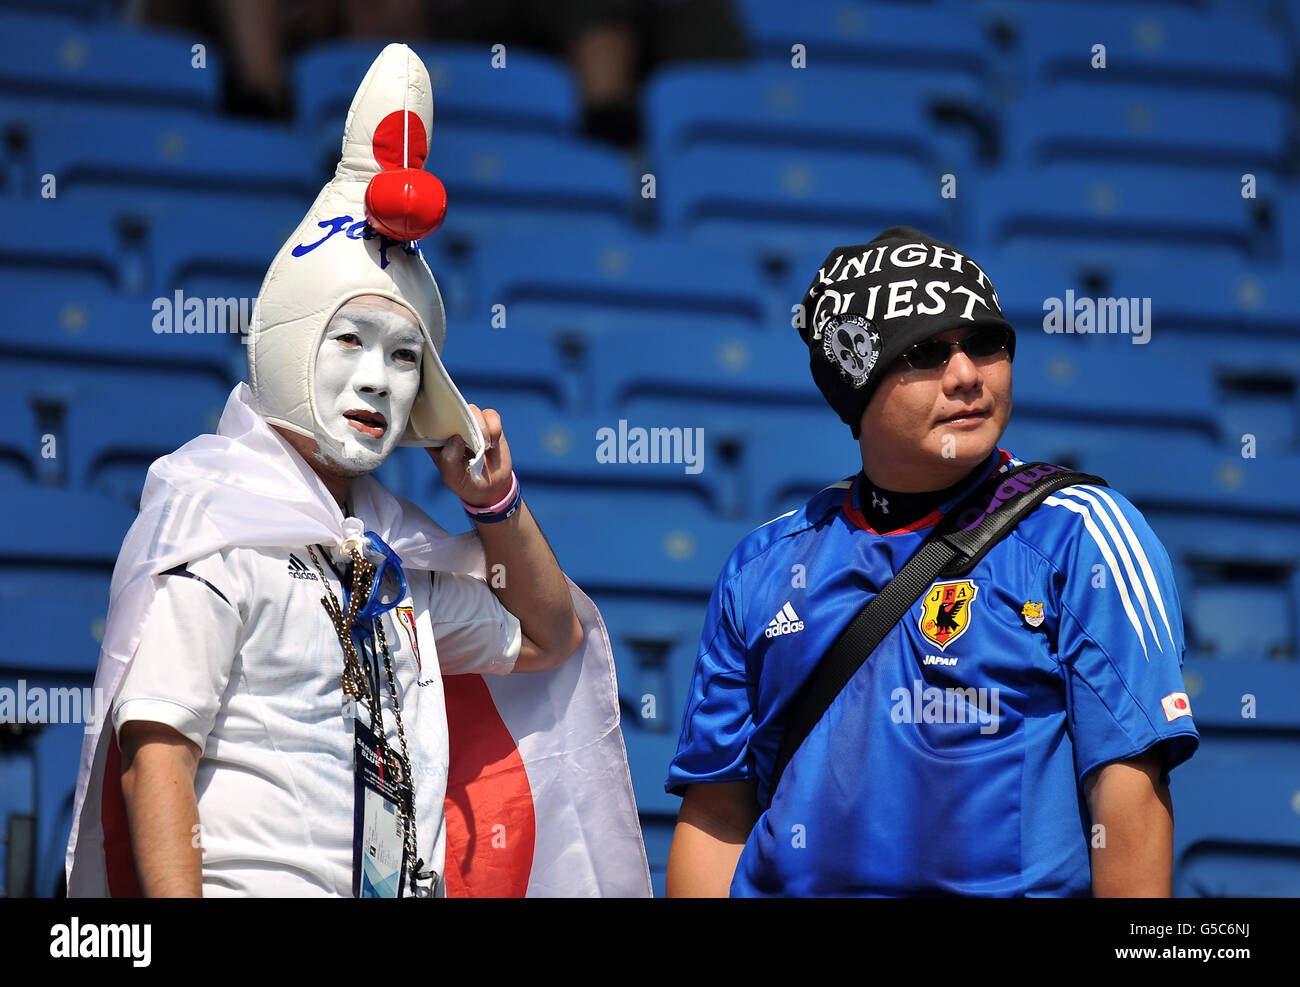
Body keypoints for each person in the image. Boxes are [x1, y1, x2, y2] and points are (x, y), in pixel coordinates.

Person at [66, 44, 650, 898]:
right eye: (350, 340)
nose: (378, 378)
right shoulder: (217, 535)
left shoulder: (390, 568)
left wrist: (496, 505)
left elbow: (549, 636)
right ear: (293, 343)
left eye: (406, 356)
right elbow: (155, 758)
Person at [664, 226, 1199, 897]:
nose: (967, 374)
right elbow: (717, 814)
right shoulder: (762, 566)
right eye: (924, 351)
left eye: (986, 341)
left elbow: (1129, 793)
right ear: (854, 383)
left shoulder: (1083, 534)